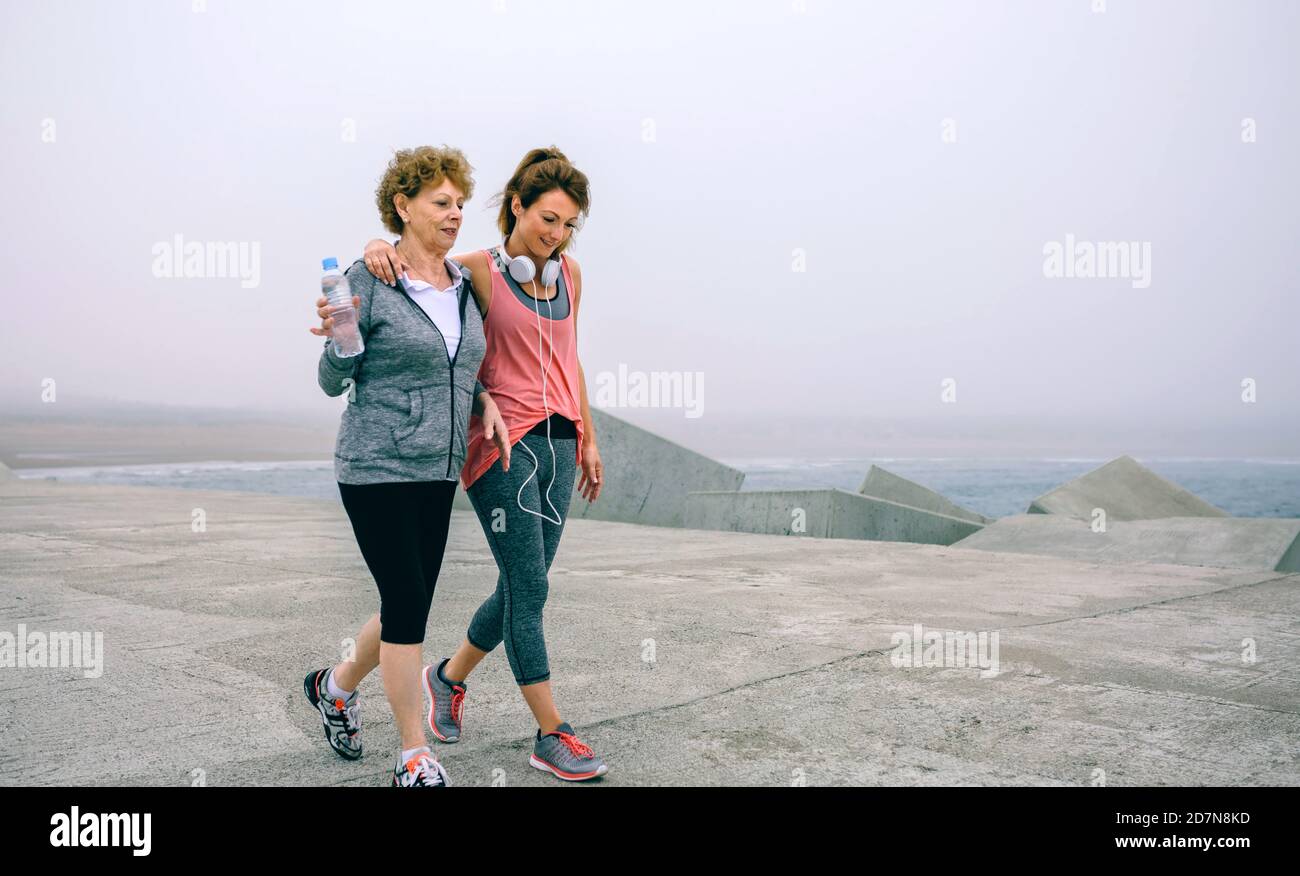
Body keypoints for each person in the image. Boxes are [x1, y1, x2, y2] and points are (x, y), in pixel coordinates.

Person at [359, 146, 609, 780]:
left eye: (569, 225)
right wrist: (374, 247)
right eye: (548, 219)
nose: (557, 235)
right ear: (516, 208)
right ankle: (552, 732)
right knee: (531, 589)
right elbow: (416, 265)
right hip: (499, 449)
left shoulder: (570, 276)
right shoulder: (477, 271)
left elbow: (571, 356)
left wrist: (589, 435)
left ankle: (447, 677)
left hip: (558, 443)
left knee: (521, 587)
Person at [306, 145, 510, 787]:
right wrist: (341, 341)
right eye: (439, 203)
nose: (454, 215)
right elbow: (331, 380)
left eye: (458, 204)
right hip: (375, 466)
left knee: (408, 602)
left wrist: (483, 400)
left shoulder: (463, 288)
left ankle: (334, 688)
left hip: (438, 469)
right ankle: (414, 755)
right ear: (403, 206)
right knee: (405, 602)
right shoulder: (368, 279)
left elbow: (459, 364)